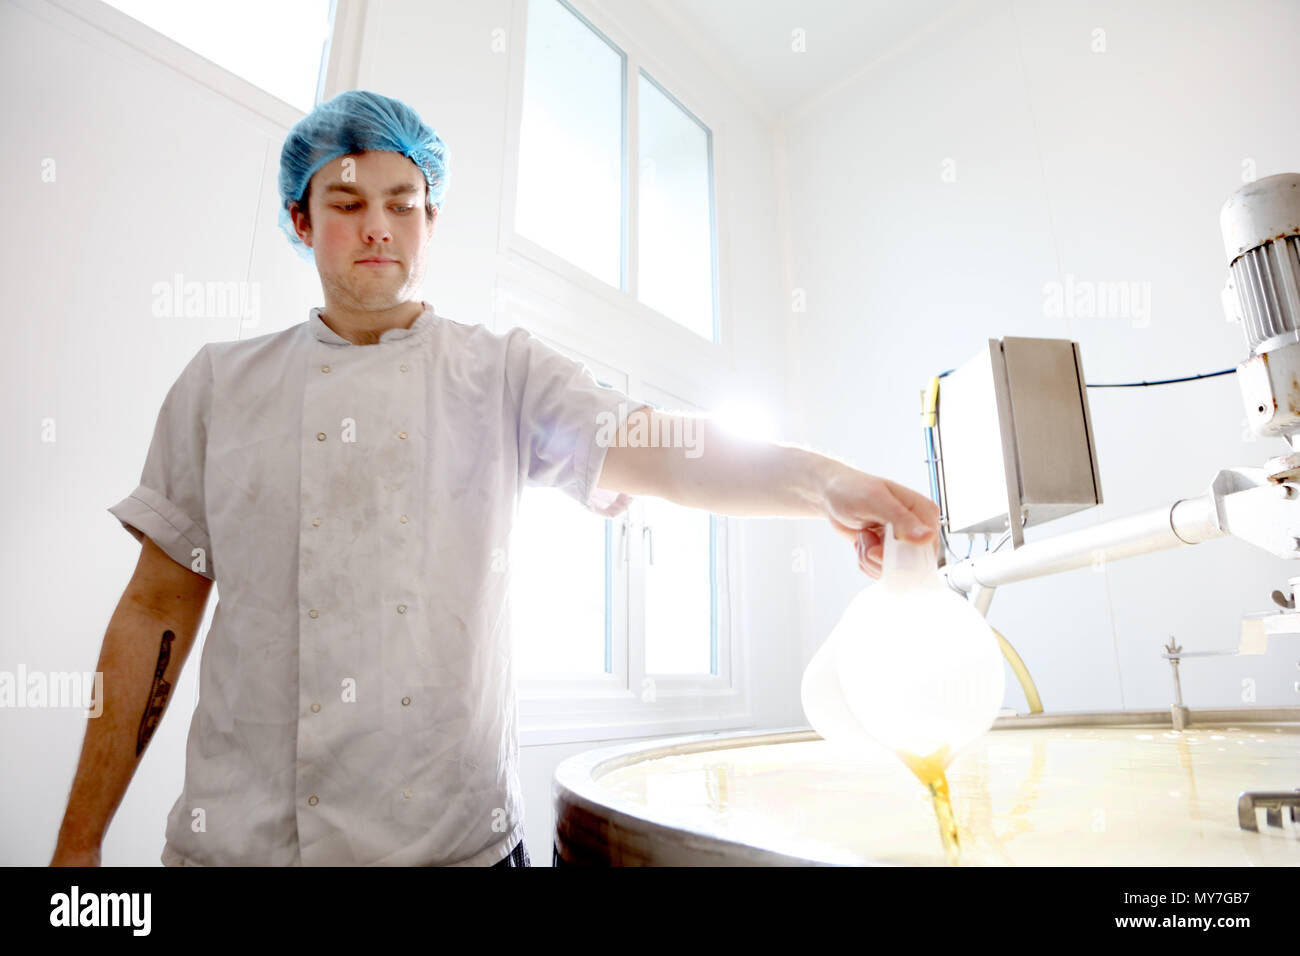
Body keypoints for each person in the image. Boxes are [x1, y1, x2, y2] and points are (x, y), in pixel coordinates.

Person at [49, 90, 938, 868]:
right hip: (236, 846)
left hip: (451, 844)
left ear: (430, 221)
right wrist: (78, 844)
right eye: (347, 201)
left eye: (404, 203)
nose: (377, 227)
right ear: (299, 220)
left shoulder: (499, 373)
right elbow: (156, 606)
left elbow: (654, 442)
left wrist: (821, 480)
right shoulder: (219, 383)